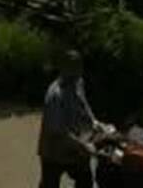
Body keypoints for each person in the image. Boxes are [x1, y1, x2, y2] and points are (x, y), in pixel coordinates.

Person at [39, 50, 104, 188]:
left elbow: (83, 103)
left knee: (85, 180)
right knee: (49, 184)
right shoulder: (55, 95)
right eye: (73, 68)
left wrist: (93, 121)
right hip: (54, 151)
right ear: (63, 68)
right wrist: (84, 146)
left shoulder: (78, 82)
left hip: (74, 147)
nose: (77, 72)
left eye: (79, 67)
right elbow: (59, 132)